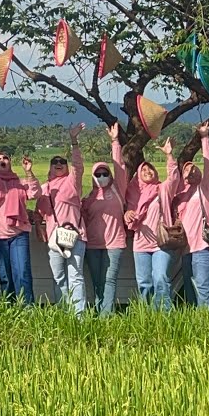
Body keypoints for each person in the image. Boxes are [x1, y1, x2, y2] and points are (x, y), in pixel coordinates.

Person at [0, 138, 41, 304]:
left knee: (22, 273)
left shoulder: (18, 182)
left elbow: (35, 193)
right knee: (5, 275)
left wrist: (29, 172)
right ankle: (9, 307)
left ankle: (27, 309)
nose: (2, 161)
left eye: (5, 158)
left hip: (18, 234)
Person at [36, 124, 87, 313]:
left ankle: (79, 316)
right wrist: (38, 225)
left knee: (75, 276)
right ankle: (64, 312)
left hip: (76, 235)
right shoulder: (45, 188)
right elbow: (39, 212)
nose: (59, 163)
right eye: (54, 161)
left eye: (62, 161)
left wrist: (74, 141)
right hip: (54, 238)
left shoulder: (72, 183)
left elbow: (78, 166)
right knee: (58, 277)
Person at [127, 139, 181, 310]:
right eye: (143, 169)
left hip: (161, 242)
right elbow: (129, 215)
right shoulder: (133, 194)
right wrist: (128, 214)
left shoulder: (163, 189)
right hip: (140, 244)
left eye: (150, 168)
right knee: (144, 283)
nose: (148, 171)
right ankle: (147, 316)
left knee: (160, 277)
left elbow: (173, 178)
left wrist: (169, 155)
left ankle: (163, 315)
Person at [82, 123, 129, 315]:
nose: (102, 176)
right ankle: (99, 309)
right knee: (97, 281)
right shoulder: (89, 198)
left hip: (114, 242)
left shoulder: (118, 190)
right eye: (98, 174)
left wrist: (115, 142)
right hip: (92, 244)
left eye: (104, 173)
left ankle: (106, 316)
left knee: (109, 279)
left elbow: (119, 167)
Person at [172, 123, 209, 308]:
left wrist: (205, 138)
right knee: (191, 292)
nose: (191, 172)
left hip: (203, 247)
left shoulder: (204, 190)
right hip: (186, 250)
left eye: (194, 169)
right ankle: (196, 325)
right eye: (187, 170)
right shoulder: (180, 196)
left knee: (205, 289)